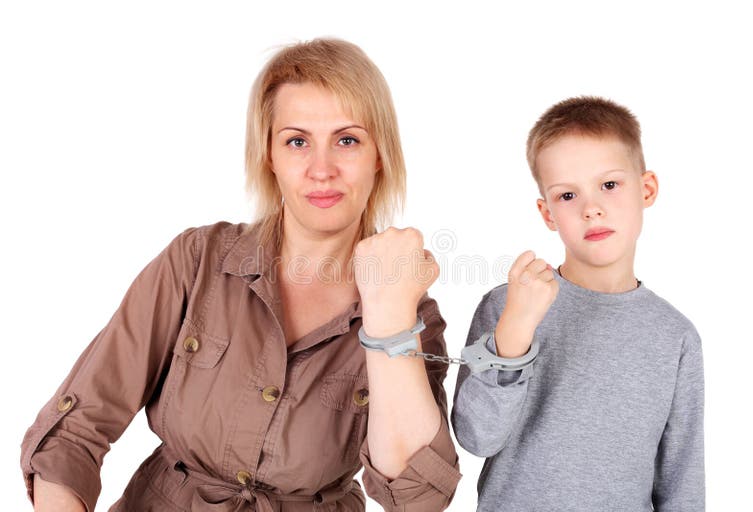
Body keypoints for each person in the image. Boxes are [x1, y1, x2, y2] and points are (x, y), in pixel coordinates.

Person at [21, 38, 461, 512]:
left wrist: (388, 319)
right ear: (269, 154)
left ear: (379, 154)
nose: (322, 170)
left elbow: (417, 497)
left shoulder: (410, 311)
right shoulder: (197, 260)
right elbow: (72, 433)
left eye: (347, 140)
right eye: (297, 142)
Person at [451, 97, 705, 510]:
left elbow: (682, 480)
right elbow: (476, 438)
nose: (591, 209)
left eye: (609, 185)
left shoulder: (676, 336)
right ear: (548, 214)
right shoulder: (508, 306)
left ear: (646, 189)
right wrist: (513, 334)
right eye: (568, 195)